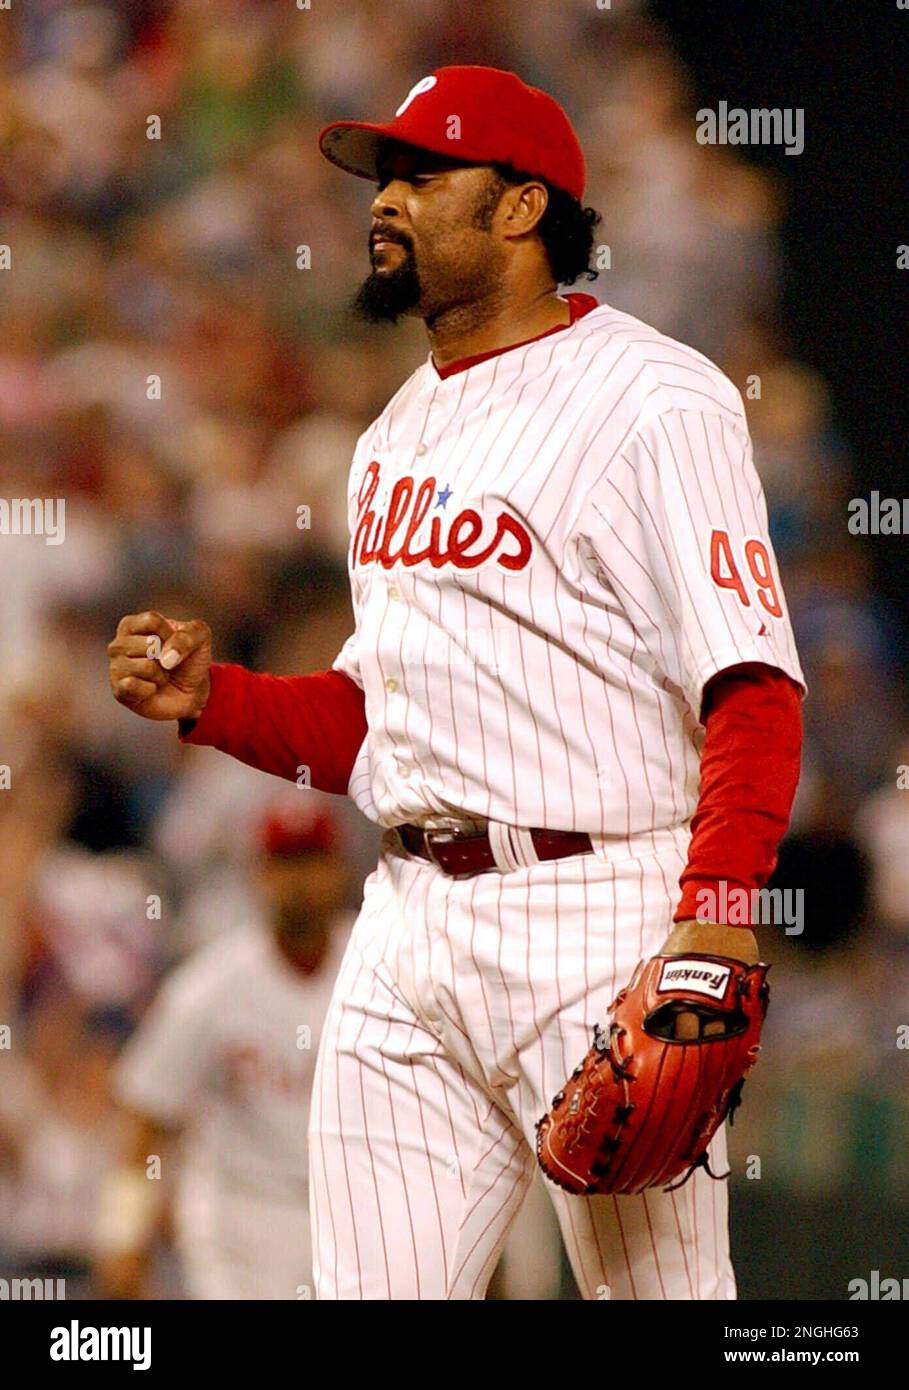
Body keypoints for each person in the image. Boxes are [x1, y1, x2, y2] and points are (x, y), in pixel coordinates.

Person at [108, 66, 804, 1300]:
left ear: (524, 209)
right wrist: (219, 702)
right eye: (385, 179)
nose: (389, 201)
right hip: (408, 920)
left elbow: (750, 681)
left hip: (602, 911)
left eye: (426, 175)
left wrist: (718, 908)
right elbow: (375, 720)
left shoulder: (658, 396)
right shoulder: (393, 433)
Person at [95, 804, 350, 1300]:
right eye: (286, 863)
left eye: (313, 861)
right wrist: (122, 1233)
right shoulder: (211, 986)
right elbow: (145, 1115)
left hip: (352, 1209)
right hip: (240, 1214)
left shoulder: (379, 965)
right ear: (260, 875)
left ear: (339, 868)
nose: (301, 881)